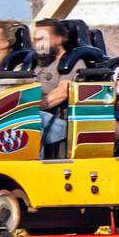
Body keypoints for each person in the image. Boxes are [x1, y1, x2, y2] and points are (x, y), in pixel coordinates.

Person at [33, 18, 85, 151]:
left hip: (60, 122)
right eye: (35, 40)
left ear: (58, 39)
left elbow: (61, 94)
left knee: (33, 121)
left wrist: (30, 110)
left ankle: (37, 164)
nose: (37, 44)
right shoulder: (36, 64)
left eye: (42, 39)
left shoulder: (74, 64)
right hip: (40, 114)